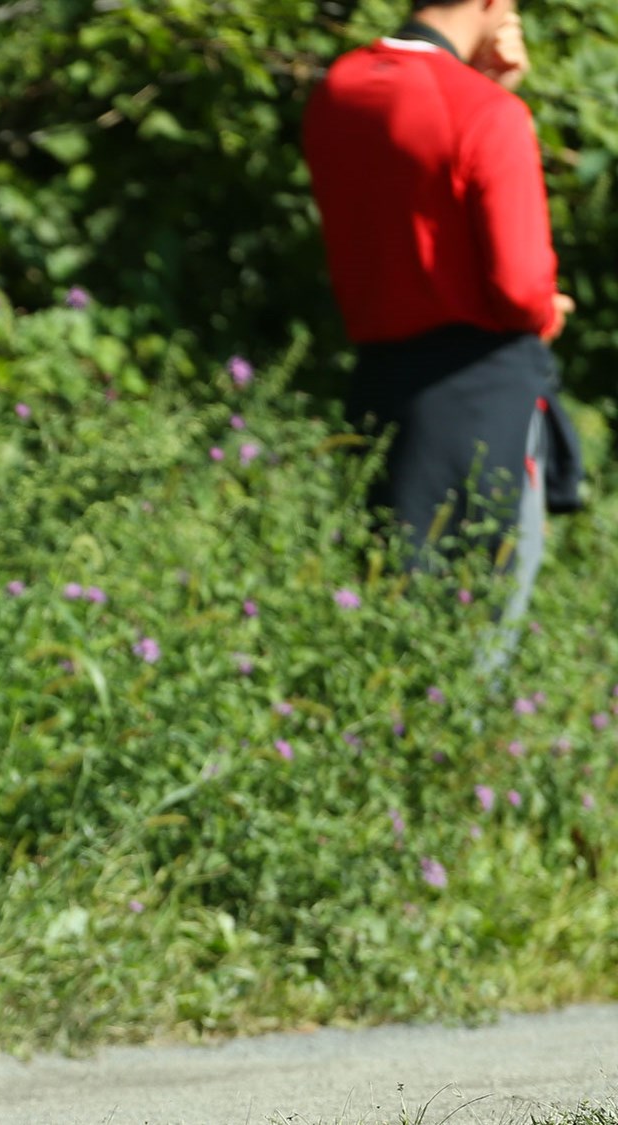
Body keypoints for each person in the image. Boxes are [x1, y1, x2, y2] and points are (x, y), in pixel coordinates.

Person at [303, 0, 580, 670]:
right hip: (481, 399)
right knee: (473, 642)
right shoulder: (487, 114)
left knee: (384, 623)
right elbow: (519, 290)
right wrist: (550, 312)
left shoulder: (338, 90)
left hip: (380, 387)